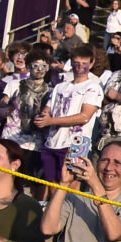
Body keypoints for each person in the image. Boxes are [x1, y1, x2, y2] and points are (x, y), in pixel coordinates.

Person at [36, 43, 103, 184]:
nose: (80, 66)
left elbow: (85, 117)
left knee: (72, 184)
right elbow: (48, 108)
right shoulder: (60, 86)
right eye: (77, 62)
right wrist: (42, 117)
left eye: (84, 63)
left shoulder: (93, 87)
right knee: (52, 184)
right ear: (71, 63)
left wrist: (50, 121)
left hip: (76, 143)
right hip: (52, 141)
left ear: (91, 64)